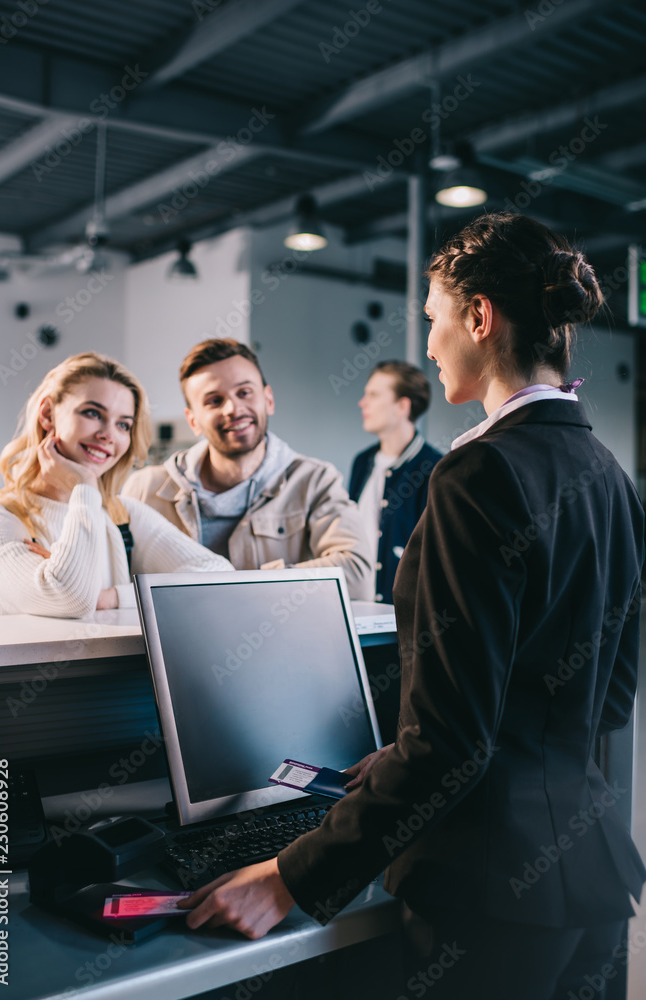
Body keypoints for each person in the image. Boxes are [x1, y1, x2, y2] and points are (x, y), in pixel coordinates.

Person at [177, 213, 646, 1000]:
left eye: (432, 319)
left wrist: (287, 878)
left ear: (478, 317)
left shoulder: (477, 476)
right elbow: (610, 695)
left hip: (486, 899)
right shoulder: (608, 474)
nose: (427, 344)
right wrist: (412, 752)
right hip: (586, 880)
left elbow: (452, 747)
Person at [0, 352, 232, 618]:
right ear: (47, 414)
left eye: (123, 424)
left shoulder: (123, 515)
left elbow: (219, 576)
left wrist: (113, 596)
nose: (108, 435)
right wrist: (84, 487)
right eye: (92, 413)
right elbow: (70, 597)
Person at [122, 339, 372, 599]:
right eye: (214, 401)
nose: (233, 409)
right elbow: (118, 580)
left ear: (269, 400)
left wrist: (244, 587)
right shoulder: (144, 489)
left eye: (244, 393)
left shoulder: (315, 481)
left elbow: (357, 574)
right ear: (193, 420)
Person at [349, 361, 443, 603]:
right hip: (358, 607)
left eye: (373, 395)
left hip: (401, 617)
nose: (362, 402)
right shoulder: (362, 462)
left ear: (402, 406)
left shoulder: (435, 469)